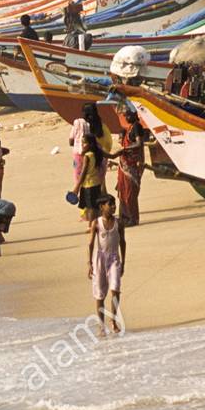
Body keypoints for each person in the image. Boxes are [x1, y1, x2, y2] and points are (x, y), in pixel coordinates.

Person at [88, 196, 126, 334]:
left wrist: (123, 262)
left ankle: (114, 320)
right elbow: (91, 243)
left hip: (114, 258)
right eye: (110, 204)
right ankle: (101, 325)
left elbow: (123, 242)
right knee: (100, 294)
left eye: (114, 204)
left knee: (115, 289)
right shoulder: (96, 223)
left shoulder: (119, 223)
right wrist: (90, 264)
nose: (113, 207)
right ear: (102, 207)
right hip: (99, 260)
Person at [112, 107, 148, 227]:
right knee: (123, 192)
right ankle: (124, 217)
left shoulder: (137, 127)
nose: (126, 118)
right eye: (125, 116)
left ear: (134, 115)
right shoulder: (129, 129)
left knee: (130, 194)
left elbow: (139, 143)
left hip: (132, 166)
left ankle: (132, 219)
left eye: (128, 115)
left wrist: (124, 149)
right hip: (125, 166)